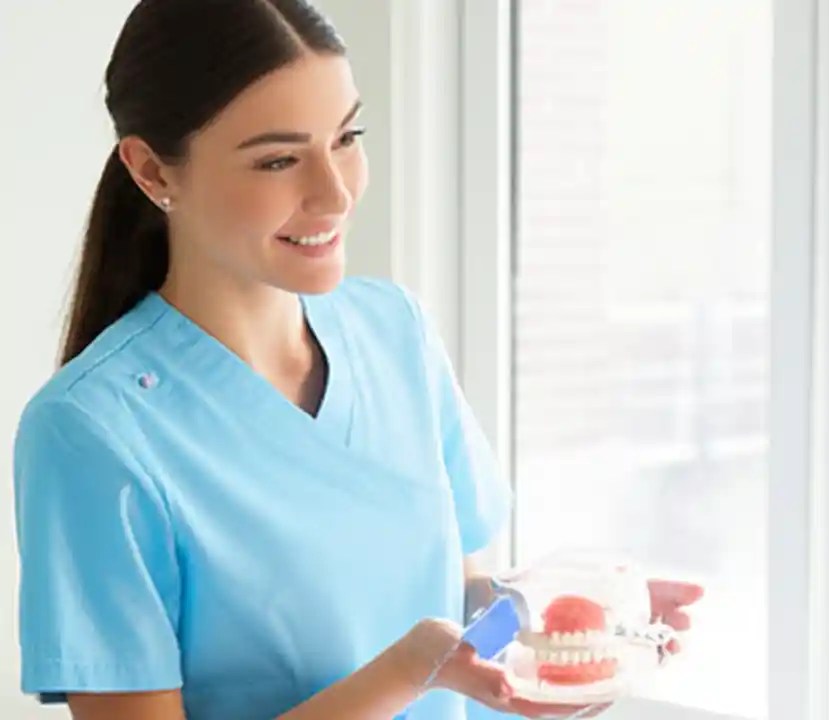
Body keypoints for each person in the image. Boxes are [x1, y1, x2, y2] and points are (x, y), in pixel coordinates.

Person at [11, 1, 702, 719]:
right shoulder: (90, 431)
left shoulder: (392, 330)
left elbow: (456, 603)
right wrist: (405, 673)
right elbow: (423, 656)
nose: (335, 192)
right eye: (279, 159)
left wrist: (561, 619)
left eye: (346, 137)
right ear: (154, 170)